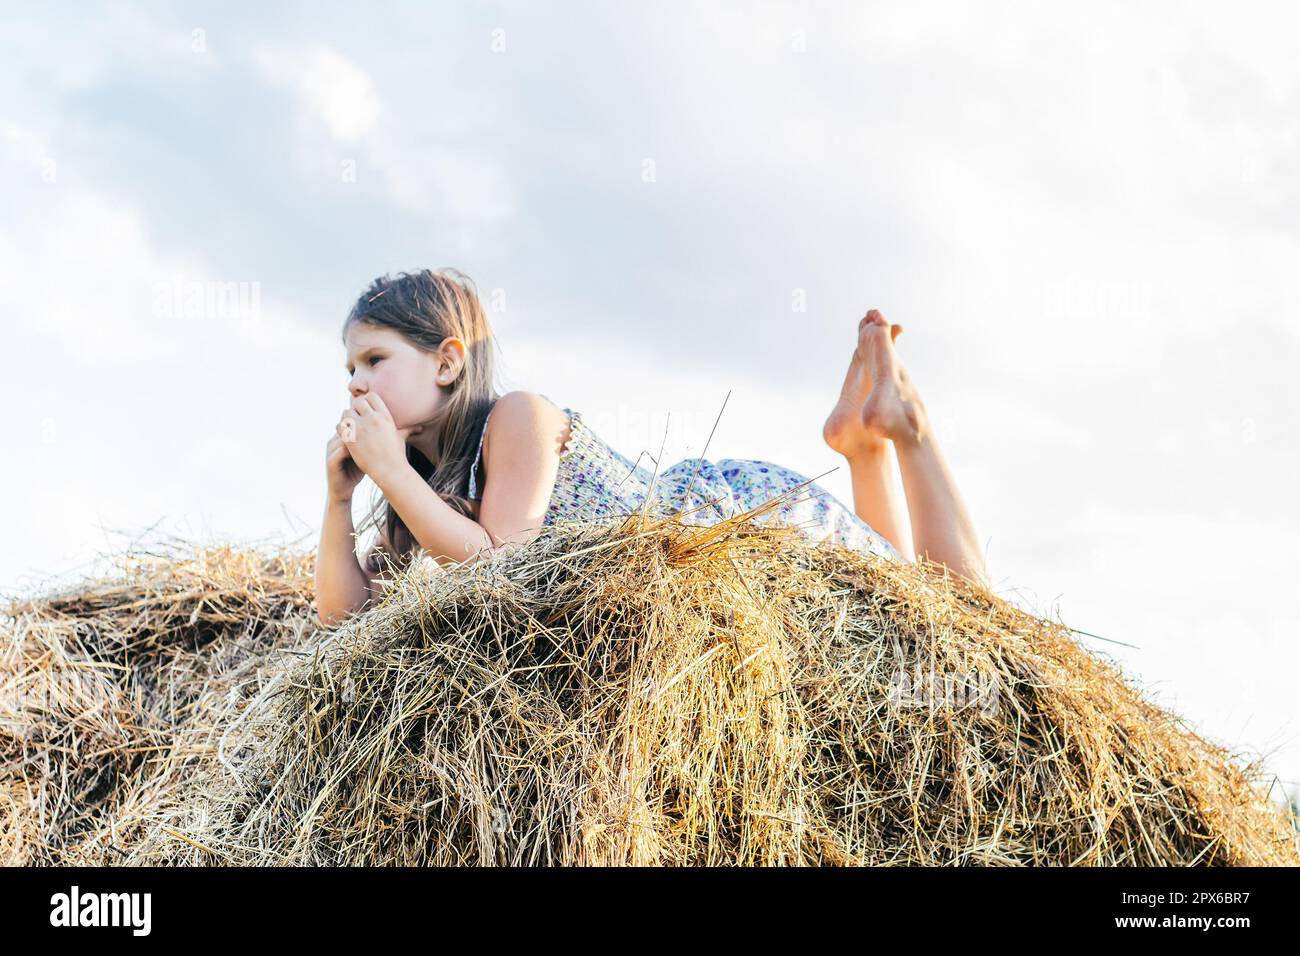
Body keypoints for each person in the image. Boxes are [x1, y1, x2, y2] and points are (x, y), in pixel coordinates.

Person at [315, 268, 989, 626]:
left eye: (374, 359)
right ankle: (864, 448)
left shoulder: (516, 419)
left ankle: (907, 425)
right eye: (350, 369)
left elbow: (503, 569)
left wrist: (391, 470)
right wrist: (341, 498)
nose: (356, 384)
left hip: (737, 520)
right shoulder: (429, 486)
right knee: (899, 609)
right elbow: (344, 618)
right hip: (724, 555)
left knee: (953, 611)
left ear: (447, 362)